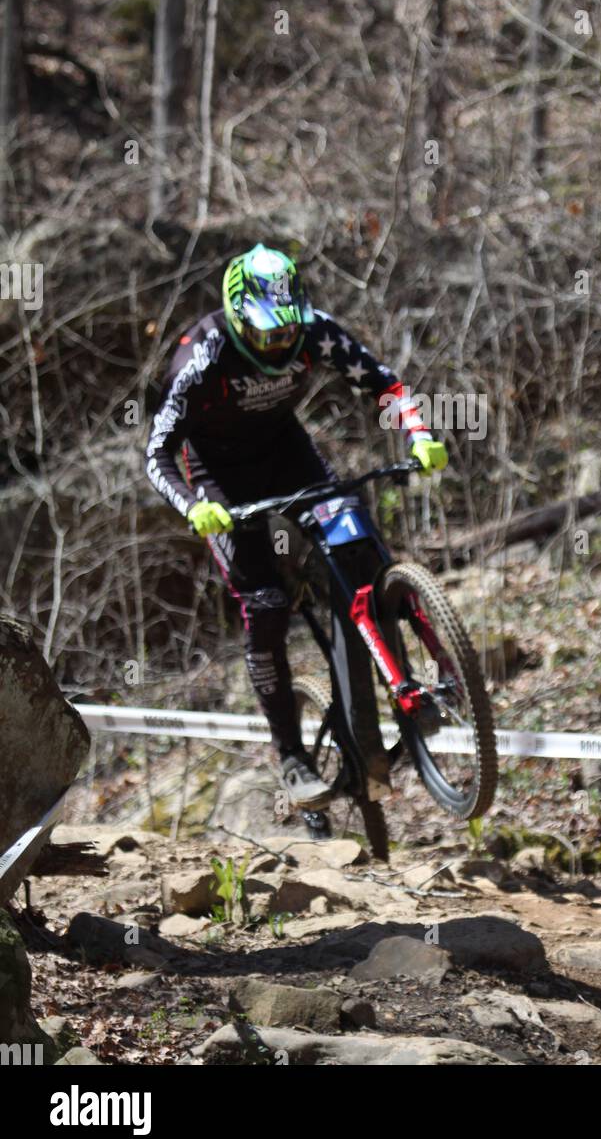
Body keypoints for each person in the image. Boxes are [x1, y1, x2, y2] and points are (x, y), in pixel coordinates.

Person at [145, 243, 447, 807]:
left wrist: (419, 433)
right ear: (238, 322)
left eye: (285, 331)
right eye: (265, 335)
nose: (279, 343)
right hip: (219, 477)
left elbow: (385, 382)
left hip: (287, 453)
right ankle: (290, 756)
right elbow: (157, 453)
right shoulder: (201, 355)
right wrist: (193, 506)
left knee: (359, 541)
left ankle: (421, 668)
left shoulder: (315, 331)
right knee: (264, 605)